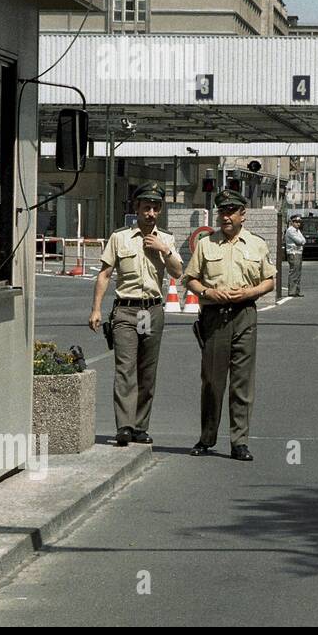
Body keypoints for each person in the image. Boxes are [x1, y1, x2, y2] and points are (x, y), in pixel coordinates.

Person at [183, 189, 277, 461]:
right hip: (215, 317)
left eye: (231, 211)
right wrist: (207, 293)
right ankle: (207, 437)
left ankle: (239, 442)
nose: (225, 216)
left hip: (244, 314)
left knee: (242, 382)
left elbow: (269, 280)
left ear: (242, 215)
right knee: (212, 381)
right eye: (222, 212)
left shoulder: (257, 244)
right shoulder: (206, 244)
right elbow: (190, 279)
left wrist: (249, 293)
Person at [89, 183, 184, 446]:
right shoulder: (119, 237)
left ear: (160, 211)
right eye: (146, 207)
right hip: (126, 310)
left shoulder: (167, 239)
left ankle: (141, 426)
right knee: (124, 369)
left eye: (155, 208)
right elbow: (105, 274)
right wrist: (96, 309)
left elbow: (177, 273)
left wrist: (164, 249)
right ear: (137, 209)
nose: (150, 213)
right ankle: (125, 426)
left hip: (152, 310)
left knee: (147, 370)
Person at [283, 214, 305, 296]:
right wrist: (301, 242)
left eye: (299, 222)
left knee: (298, 272)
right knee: (294, 272)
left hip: (298, 253)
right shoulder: (291, 230)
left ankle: (296, 291)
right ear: (292, 222)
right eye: (296, 222)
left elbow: (303, 240)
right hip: (293, 253)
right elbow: (299, 241)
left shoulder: (297, 230)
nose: (298, 224)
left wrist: (302, 242)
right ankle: (292, 291)